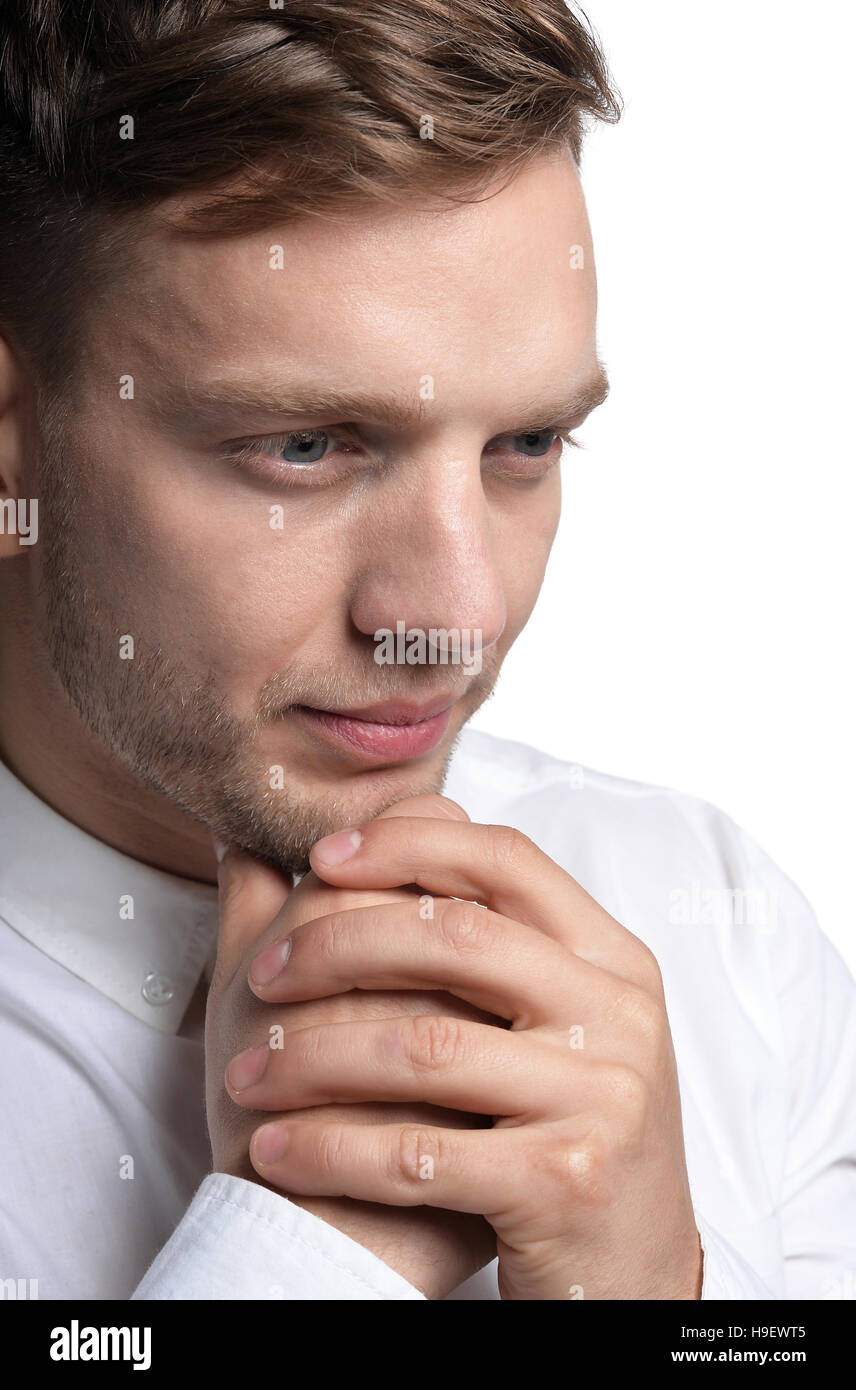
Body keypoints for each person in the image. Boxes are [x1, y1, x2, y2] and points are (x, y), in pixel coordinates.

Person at [0, 0, 852, 1302]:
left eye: (524, 445)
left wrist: (651, 1289)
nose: (455, 613)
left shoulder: (723, 933)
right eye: (303, 446)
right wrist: (299, 1263)